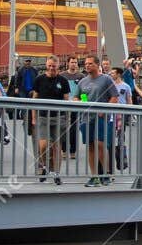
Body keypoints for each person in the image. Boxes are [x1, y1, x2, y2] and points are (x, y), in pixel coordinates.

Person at [77, 55, 119, 185]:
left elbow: (114, 97)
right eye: (86, 64)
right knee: (90, 146)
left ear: (97, 64)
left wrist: (104, 109)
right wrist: (83, 102)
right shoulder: (83, 82)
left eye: (90, 63)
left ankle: (105, 174)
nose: (87, 66)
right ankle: (94, 176)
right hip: (86, 118)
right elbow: (79, 96)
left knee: (100, 145)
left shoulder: (106, 79)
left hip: (101, 118)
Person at [31, 55, 71, 183]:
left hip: (59, 117)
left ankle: (56, 173)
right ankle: (45, 166)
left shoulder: (63, 81)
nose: (51, 68)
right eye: (49, 66)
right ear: (46, 65)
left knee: (56, 146)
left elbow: (66, 100)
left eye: (54, 66)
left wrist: (68, 118)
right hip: (43, 116)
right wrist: (33, 116)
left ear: (58, 66)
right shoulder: (39, 79)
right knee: (43, 146)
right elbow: (34, 98)